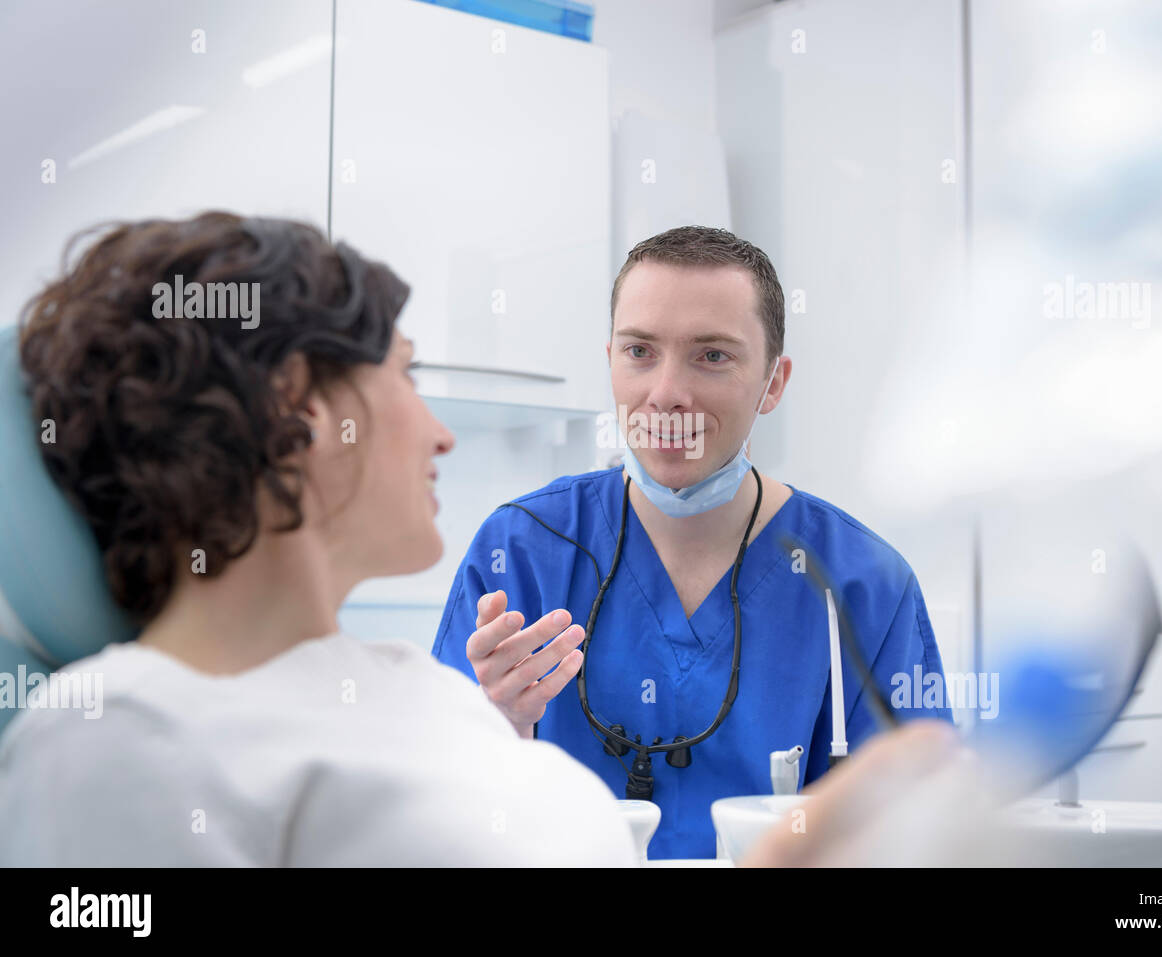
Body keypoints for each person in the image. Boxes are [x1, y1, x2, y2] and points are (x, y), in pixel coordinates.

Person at [0, 211, 958, 866]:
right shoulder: (121, 735)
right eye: (407, 377)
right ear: (298, 413)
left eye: (712, 355)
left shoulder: (394, 692)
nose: (443, 432)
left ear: (771, 379)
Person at [434, 226, 953, 859]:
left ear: (774, 382)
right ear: (611, 361)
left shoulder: (862, 583)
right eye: (639, 352)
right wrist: (498, 730)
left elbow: (918, 835)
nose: (666, 394)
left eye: (712, 355)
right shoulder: (520, 553)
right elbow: (433, 821)